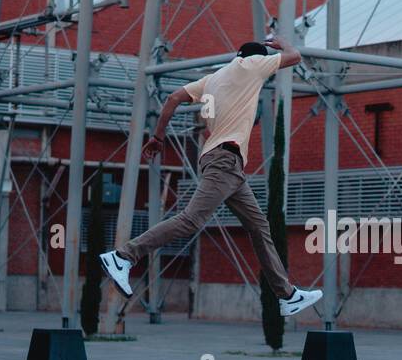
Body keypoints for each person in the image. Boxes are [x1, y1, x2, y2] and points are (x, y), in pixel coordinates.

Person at [98, 36, 323, 317]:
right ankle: (123, 256)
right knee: (191, 220)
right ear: (255, 58)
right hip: (224, 162)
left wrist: (158, 136)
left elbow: (173, 99)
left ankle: (287, 294)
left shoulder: (212, 79)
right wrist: (281, 43)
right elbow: (295, 57)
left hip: (223, 163)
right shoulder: (252, 65)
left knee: (258, 226)